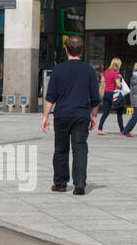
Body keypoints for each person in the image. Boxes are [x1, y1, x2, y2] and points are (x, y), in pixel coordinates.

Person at [42, 35, 102, 195]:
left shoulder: (58, 70)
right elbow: (95, 98)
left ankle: (60, 183)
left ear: (66, 50)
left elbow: (50, 96)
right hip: (82, 114)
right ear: (81, 51)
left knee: (61, 149)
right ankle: (80, 183)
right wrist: (93, 116)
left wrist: (45, 116)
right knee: (80, 148)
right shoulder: (89, 70)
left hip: (62, 114)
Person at [97, 57, 126, 135]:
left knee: (105, 113)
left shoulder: (106, 71)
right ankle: (122, 130)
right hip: (113, 94)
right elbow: (118, 84)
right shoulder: (115, 73)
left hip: (106, 93)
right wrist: (121, 85)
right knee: (119, 112)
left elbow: (102, 80)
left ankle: (99, 129)